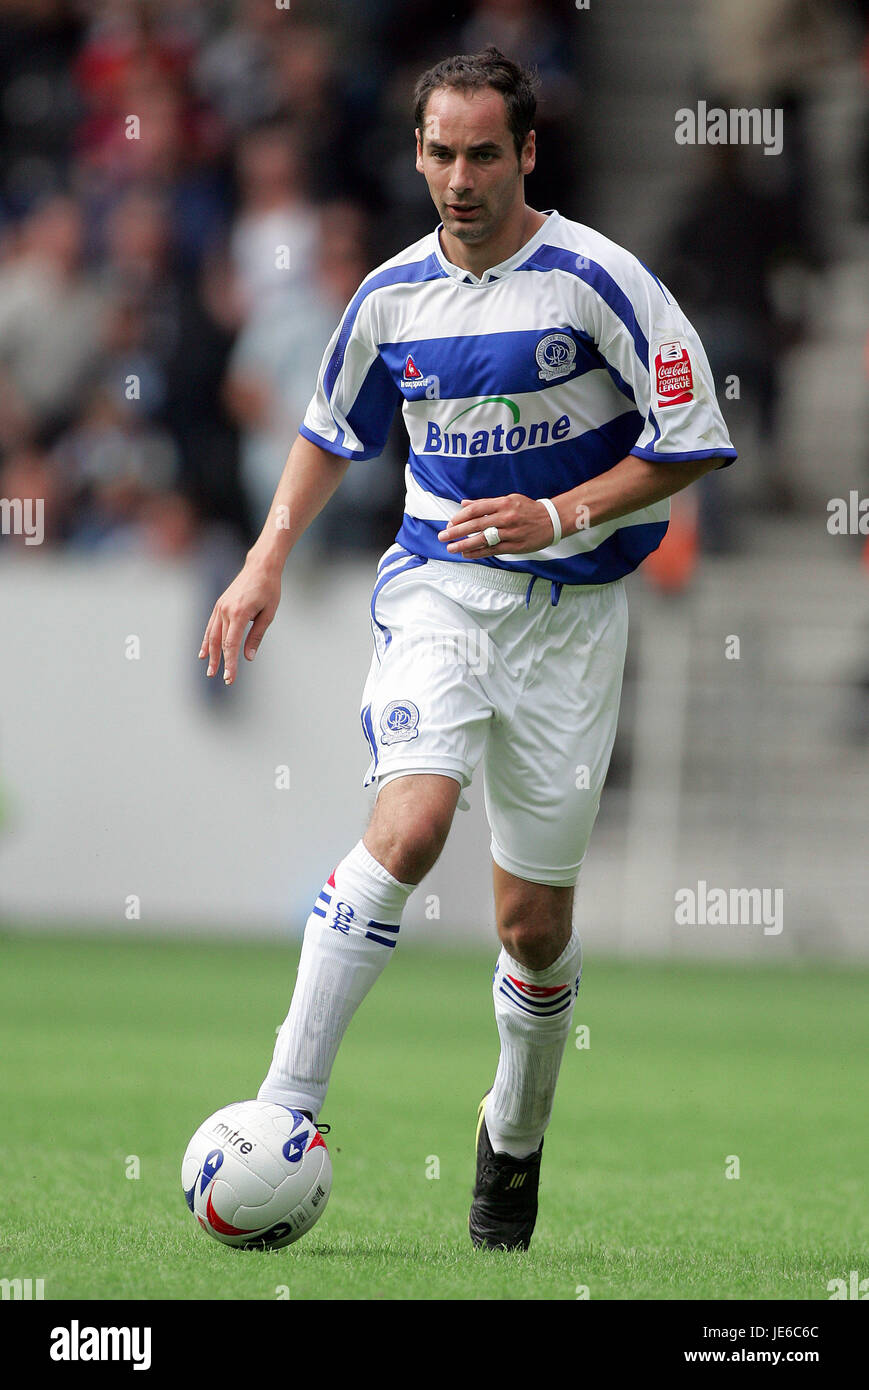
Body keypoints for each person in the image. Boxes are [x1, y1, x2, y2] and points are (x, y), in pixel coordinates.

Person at [198, 47, 736, 1252]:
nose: (457, 176)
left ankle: (514, 1128)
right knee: (411, 824)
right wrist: (265, 555)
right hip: (440, 595)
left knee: (531, 929)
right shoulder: (388, 296)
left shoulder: (598, 278)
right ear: (417, 155)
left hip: (573, 628)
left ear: (525, 153)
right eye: (437, 152)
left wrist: (560, 513)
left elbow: (691, 435)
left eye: (481, 152)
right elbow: (327, 430)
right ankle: (283, 1107)